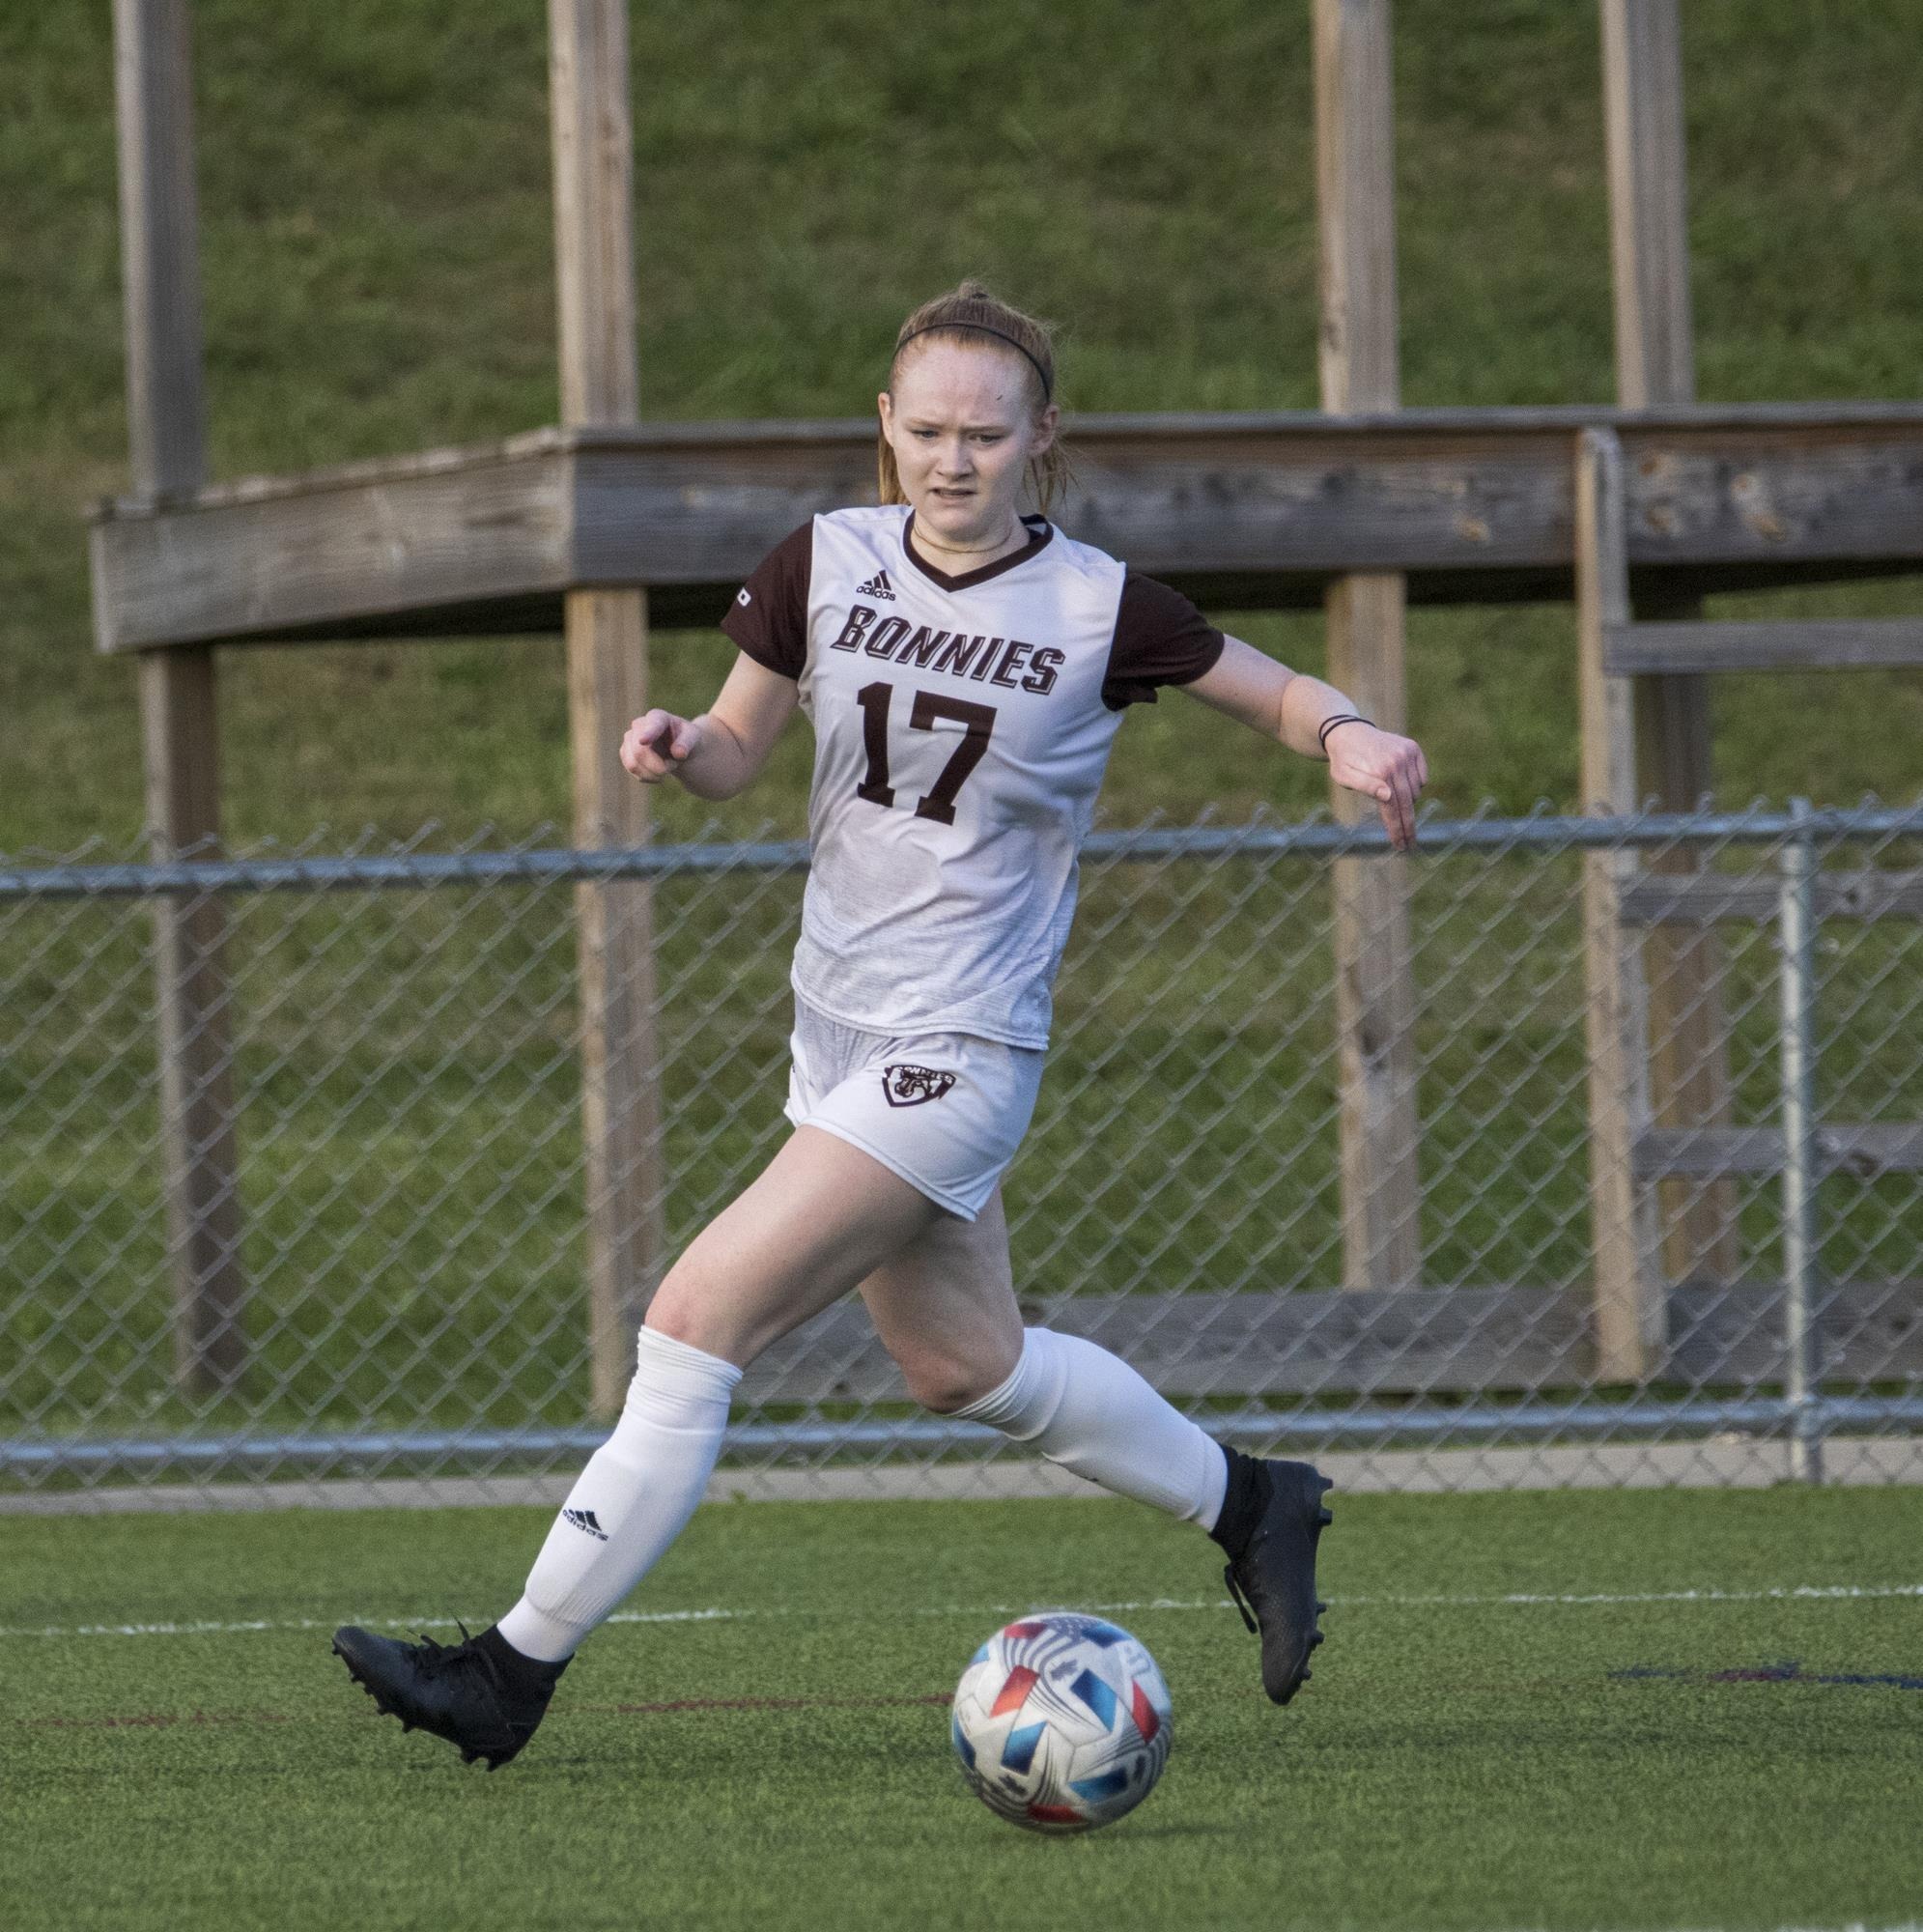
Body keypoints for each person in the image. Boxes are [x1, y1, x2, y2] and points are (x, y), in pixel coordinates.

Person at [333, 281, 1429, 1770]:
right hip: (837, 1034)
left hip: (961, 1043)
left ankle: (506, 1673)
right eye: (926, 430)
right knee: (965, 1367)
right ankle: (1254, 1505)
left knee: (693, 1320)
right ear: (885, 428)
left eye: (987, 432)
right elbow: (737, 745)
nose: (953, 458)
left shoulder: (1100, 605)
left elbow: (1275, 693)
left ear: (1044, 437)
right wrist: (682, 746)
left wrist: (1355, 734)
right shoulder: (825, 561)